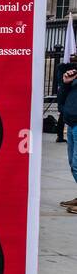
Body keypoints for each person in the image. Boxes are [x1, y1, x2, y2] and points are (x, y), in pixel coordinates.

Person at [59, 65, 77, 212]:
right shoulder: (74, 75)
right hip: (72, 124)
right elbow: (62, 99)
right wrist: (66, 83)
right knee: (73, 163)